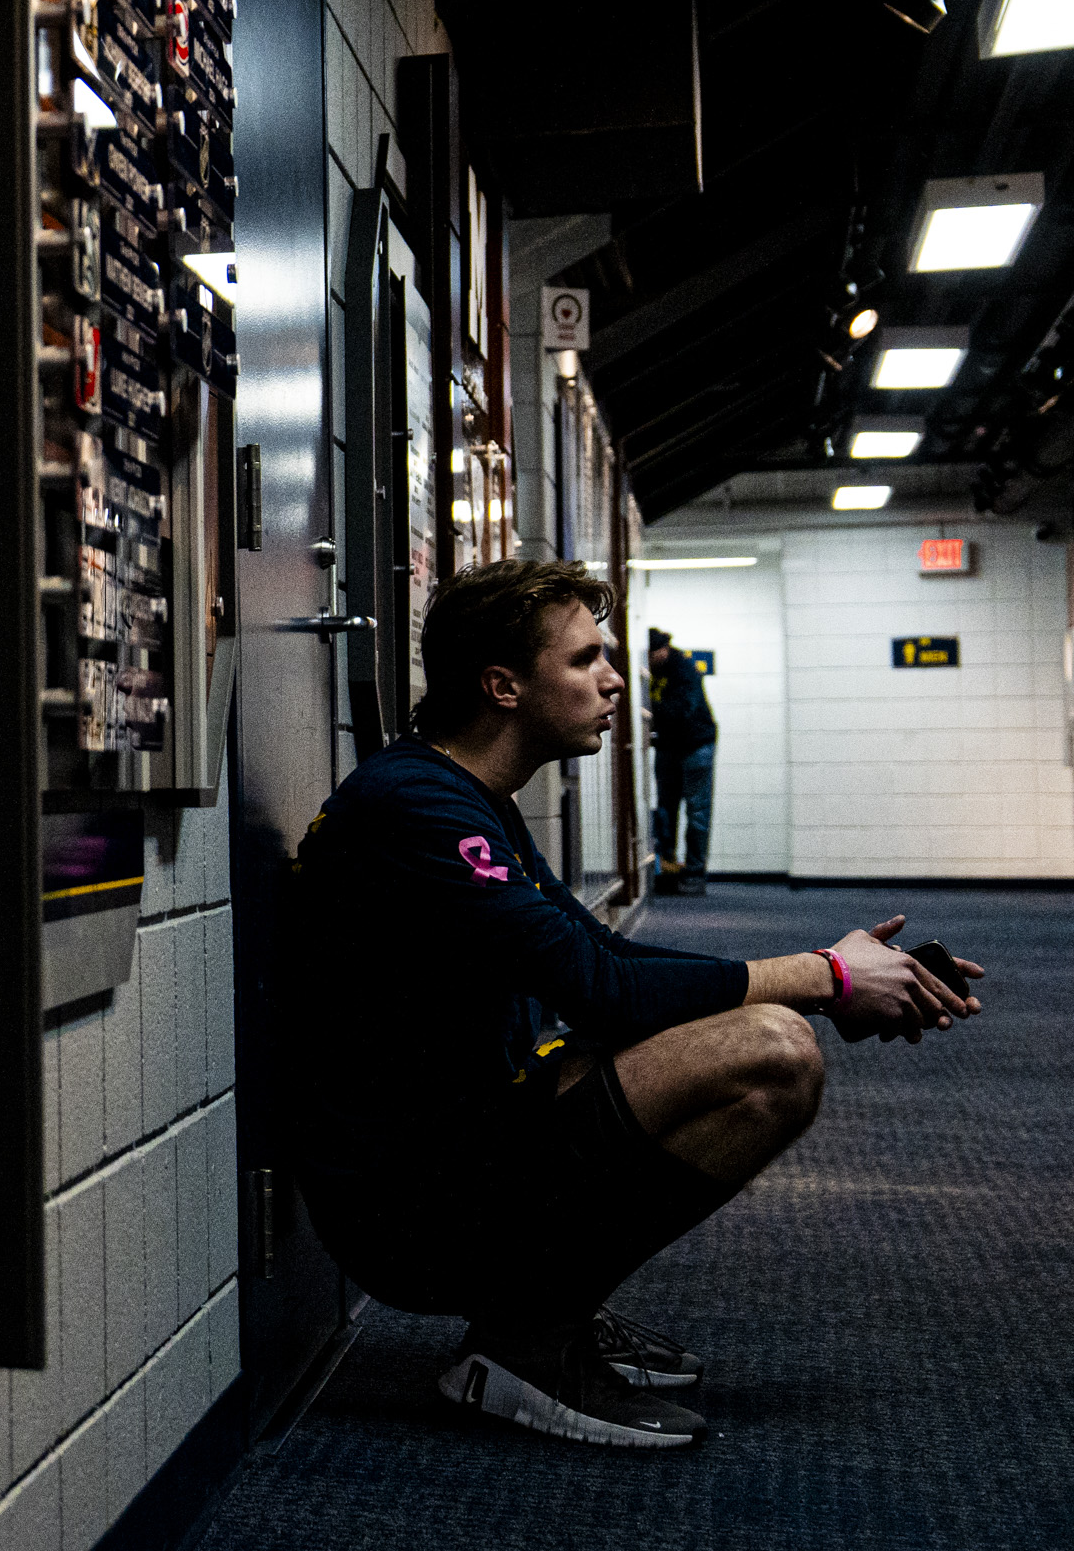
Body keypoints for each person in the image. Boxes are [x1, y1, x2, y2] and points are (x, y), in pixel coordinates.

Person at [283, 558, 986, 1449]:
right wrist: (823, 978)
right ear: (503, 685)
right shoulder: (417, 805)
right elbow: (604, 988)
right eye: (584, 661)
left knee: (754, 1032)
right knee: (769, 1056)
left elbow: (607, 959)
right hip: (408, 1208)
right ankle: (528, 1337)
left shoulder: (461, 794)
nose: (614, 679)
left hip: (462, 1135)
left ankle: (550, 1309)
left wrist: (833, 982)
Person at [645, 626, 718, 892]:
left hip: (695, 746)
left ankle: (695, 873)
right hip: (669, 746)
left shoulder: (684, 669)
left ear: (661, 650)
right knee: (666, 809)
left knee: (697, 811)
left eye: (651, 655)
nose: (649, 661)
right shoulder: (654, 671)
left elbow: (682, 711)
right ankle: (668, 867)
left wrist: (649, 713)